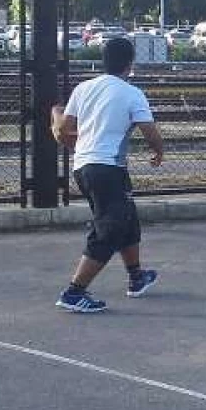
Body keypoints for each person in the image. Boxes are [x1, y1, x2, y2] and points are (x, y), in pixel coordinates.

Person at [49, 36, 166, 313]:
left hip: (87, 167)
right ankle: (74, 292)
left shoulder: (84, 88)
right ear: (130, 64)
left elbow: (64, 130)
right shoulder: (131, 93)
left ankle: (137, 277)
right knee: (110, 227)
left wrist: (61, 123)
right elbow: (149, 130)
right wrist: (158, 151)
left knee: (127, 221)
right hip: (107, 168)